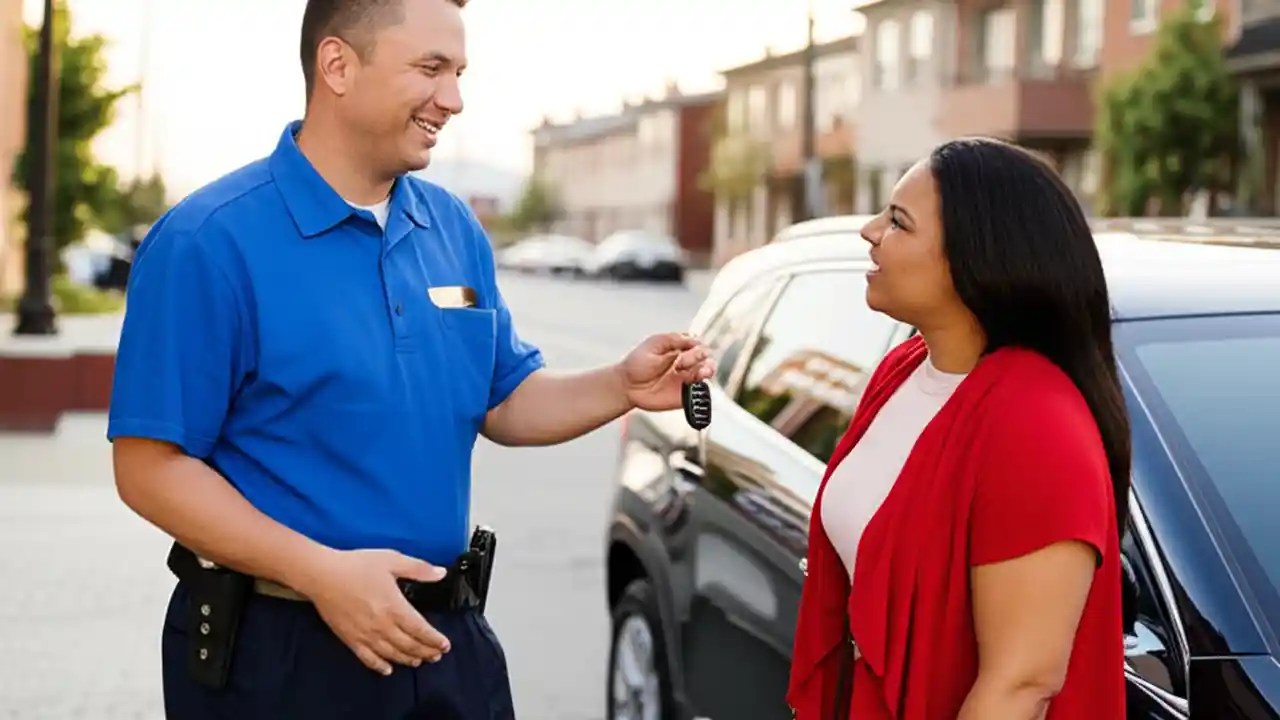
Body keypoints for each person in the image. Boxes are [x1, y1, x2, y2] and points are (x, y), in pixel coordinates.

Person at [106, 0, 714, 718]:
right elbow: (148, 468)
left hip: (445, 642)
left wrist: (620, 384)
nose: (453, 100)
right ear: (338, 65)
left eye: (458, 73)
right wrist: (322, 575)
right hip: (279, 655)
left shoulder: (451, 227)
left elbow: (503, 397)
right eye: (430, 69)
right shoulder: (208, 241)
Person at [786, 137, 1130, 720]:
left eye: (898, 221)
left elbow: (1020, 685)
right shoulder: (904, 370)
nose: (869, 231)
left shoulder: (1036, 425)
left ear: (976, 259)